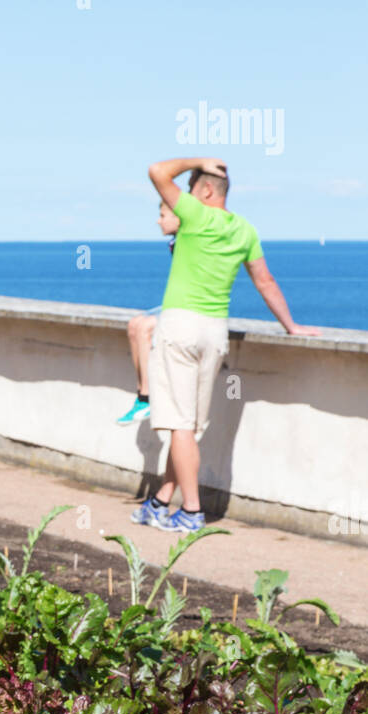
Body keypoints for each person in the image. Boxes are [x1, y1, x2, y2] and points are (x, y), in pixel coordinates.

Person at [132, 156, 321, 533]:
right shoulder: (245, 230)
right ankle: (159, 503)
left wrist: (198, 159)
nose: (184, 194)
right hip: (214, 334)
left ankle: (191, 512)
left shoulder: (194, 215)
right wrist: (291, 325)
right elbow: (265, 280)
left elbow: (156, 170)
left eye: (190, 187)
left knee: (180, 427)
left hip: (180, 328)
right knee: (188, 427)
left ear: (204, 190)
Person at [116, 200, 180, 425]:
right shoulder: (176, 242)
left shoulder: (192, 239)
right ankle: (141, 397)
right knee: (135, 324)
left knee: (144, 327)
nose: (158, 220)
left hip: (189, 309)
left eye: (163, 215)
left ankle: (148, 396)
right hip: (175, 304)